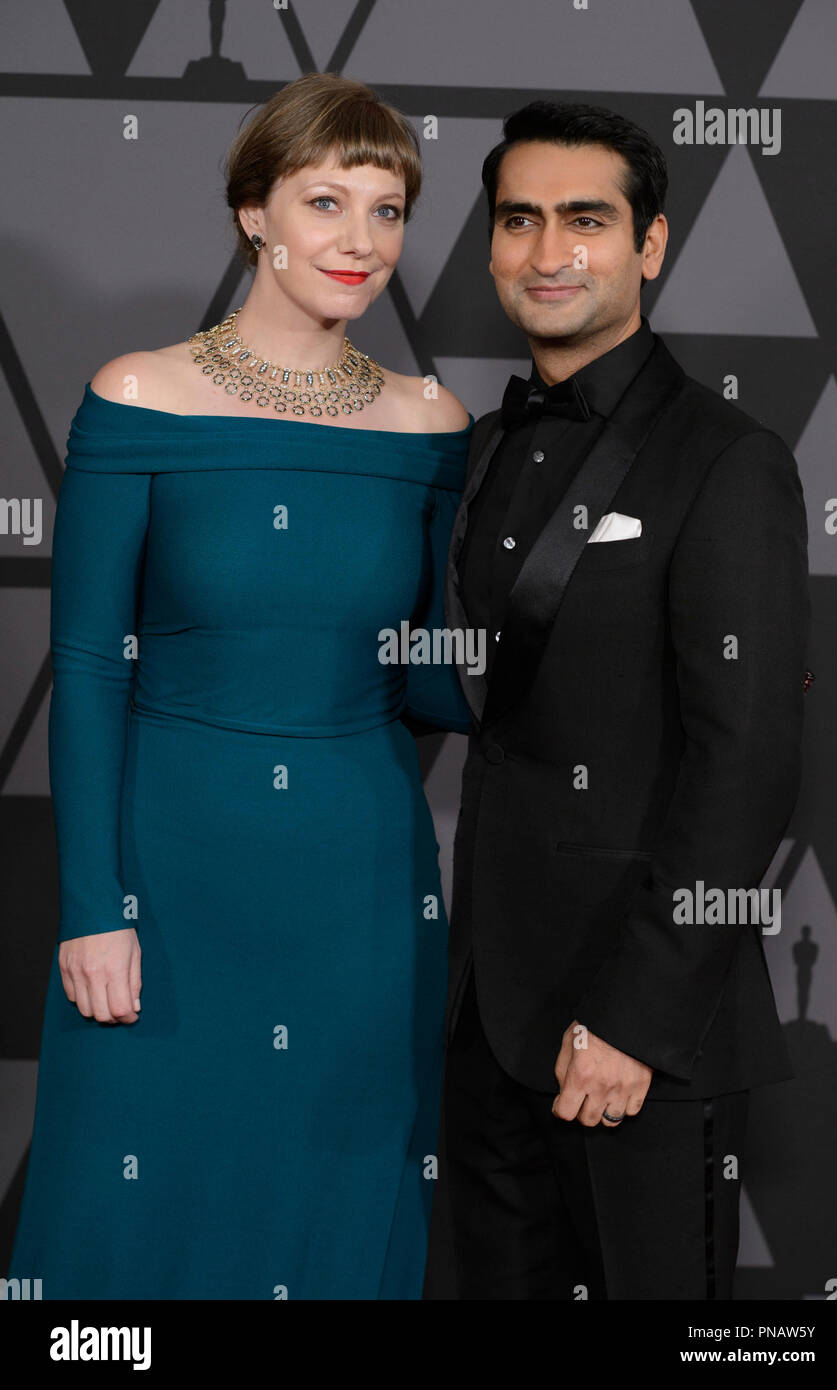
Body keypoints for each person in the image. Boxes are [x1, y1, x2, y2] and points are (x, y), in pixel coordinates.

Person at [8, 71, 473, 1300]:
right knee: (136, 1193)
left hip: (360, 880)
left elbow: (433, 674)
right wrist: (93, 905)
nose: (360, 242)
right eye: (327, 202)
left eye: (388, 210)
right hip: (168, 866)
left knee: (335, 1184)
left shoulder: (430, 424)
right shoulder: (139, 394)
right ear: (252, 213)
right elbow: (91, 666)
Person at [426, 100, 810, 1301]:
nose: (548, 253)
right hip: (488, 1019)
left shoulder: (726, 457)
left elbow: (745, 760)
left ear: (648, 245)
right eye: (520, 220)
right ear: (490, 245)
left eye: (585, 221)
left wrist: (634, 1017)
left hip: (642, 1028)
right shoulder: (484, 445)